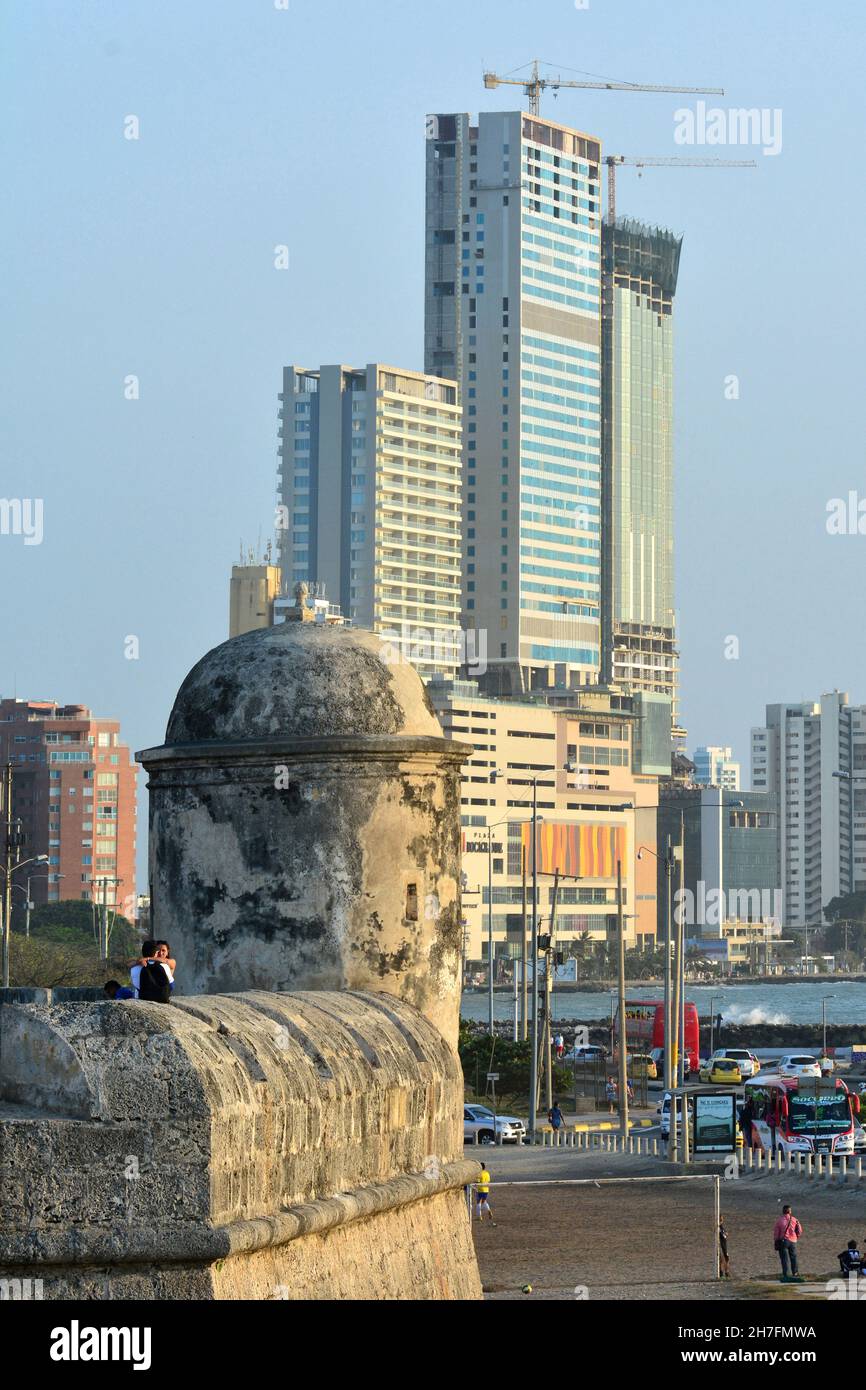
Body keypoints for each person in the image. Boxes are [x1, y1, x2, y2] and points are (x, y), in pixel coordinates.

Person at [773, 1204, 803, 1281]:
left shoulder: (779, 1220)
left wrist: (776, 1240)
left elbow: (776, 1233)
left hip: (783, 1241)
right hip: (793, 1241)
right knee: (793, 1257)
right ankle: (795, 1273)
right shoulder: (795, 1220)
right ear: (790, 1211)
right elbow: (799, 1230)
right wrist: (796, 1237)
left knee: (784, 1259)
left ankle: (786, 1274)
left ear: (783, 1211)